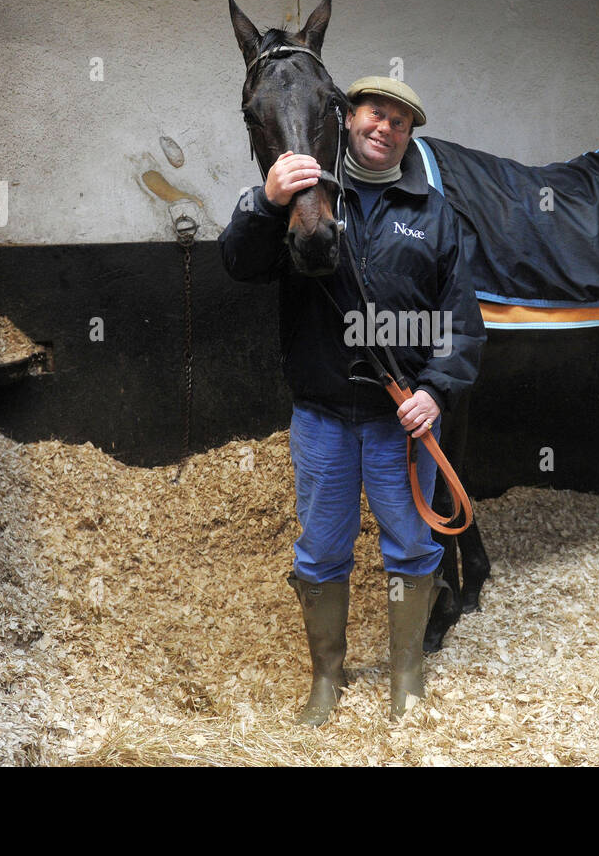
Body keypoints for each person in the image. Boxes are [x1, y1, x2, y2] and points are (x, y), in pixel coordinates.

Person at [219, 76, 485, 724]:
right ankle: (325, 680)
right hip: (322, 415)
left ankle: (406, 676)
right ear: (348, 118)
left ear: (408, 135)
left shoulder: (435, 215)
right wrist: (264, 200)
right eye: (374, 113)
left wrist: (435, 389)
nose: (383, 127)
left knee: (412, 546)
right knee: (321, 548)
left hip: (401, 421)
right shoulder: (303, 199)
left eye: (399, 121)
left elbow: (463, 323)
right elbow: (239, 263)